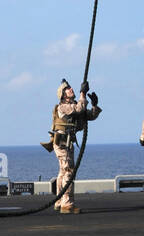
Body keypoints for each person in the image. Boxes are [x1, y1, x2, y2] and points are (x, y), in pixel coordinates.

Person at [41, 79, 102, 213]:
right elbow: (79, 108)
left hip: (67, 143)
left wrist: (94, 106)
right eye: (68, 89)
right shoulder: (62, 107)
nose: (71, 89)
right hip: (62, 143)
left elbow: (89, 116)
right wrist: (82, 93)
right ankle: (67, 204)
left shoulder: (73, 105)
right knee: (69, 171)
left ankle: (59, 200)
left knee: (63, 172)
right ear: (63, 95)